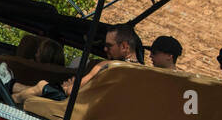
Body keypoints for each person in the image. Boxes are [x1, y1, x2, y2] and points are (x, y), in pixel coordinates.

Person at [11, 24, 140, 104]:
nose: (105, 49)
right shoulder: (144, 73)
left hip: (80, 108)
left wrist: (69, 86)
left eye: (108, 46)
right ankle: (12, 86)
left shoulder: (106, 66)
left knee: (43, 85)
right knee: (41, 88)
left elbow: (72, 91)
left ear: (124, 46)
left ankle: (11, 97)